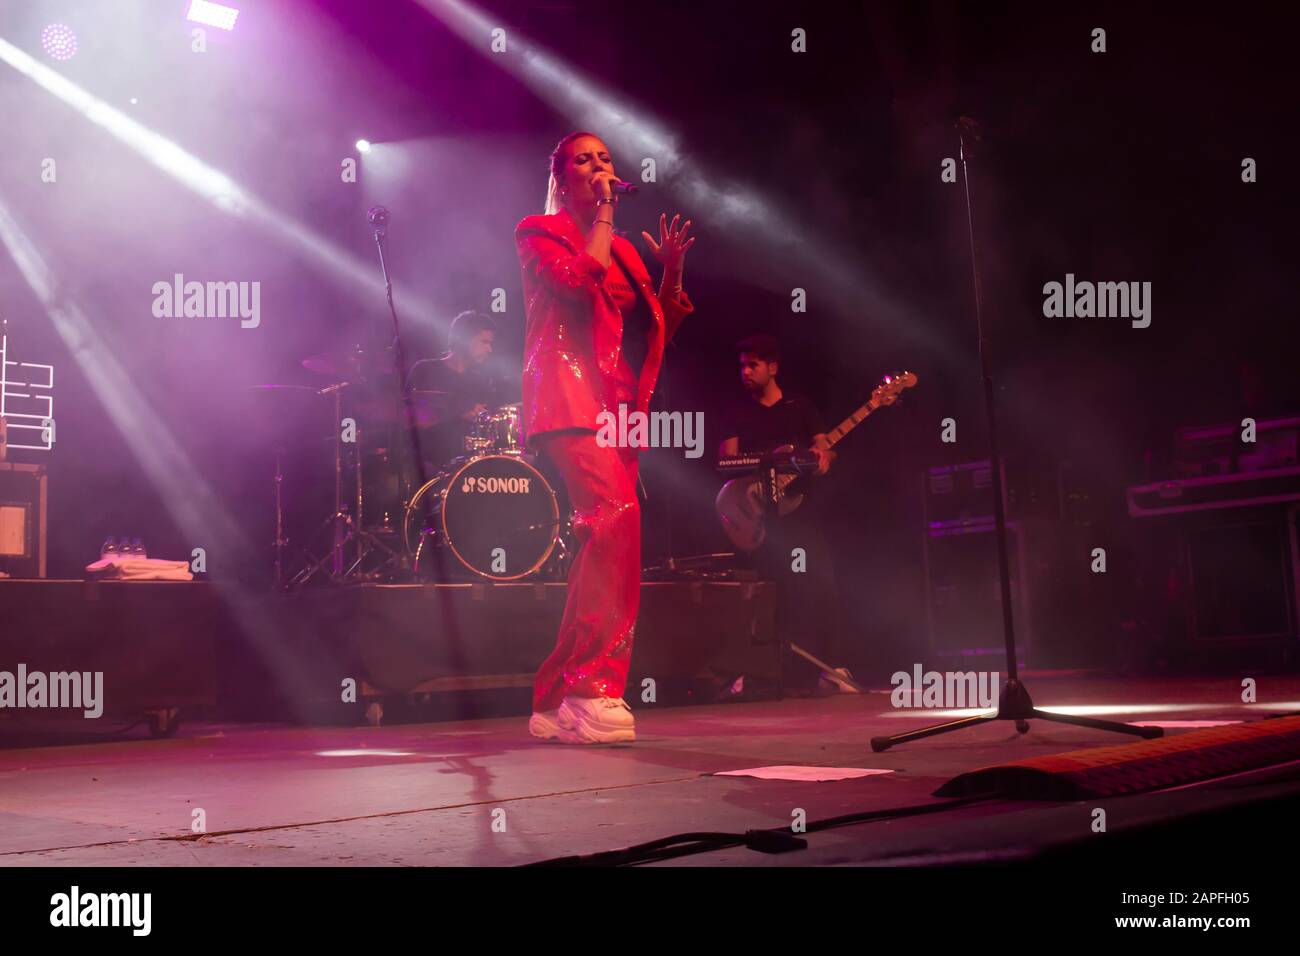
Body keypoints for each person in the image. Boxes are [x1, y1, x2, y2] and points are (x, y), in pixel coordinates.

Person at [517, 131, 696, 743]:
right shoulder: (538, 231)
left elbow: (659, 321)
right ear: (562, 178)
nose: (598, 167)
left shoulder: (622, 246)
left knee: (608, 534)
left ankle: (552, 696)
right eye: (583, 161)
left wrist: (670, 271)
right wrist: (603, 215)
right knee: (615, 521)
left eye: (605, 159)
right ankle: (592, 689)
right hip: (566, 396)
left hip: (616, 402)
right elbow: (576, 279)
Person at [717, 334, 850, 695]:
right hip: (760, 518)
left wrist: (824, 458)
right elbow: (726, 461)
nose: (745, 371)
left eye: (753, 364)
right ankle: (754, 671)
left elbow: (826, 450)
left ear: (773, 368)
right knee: (765, 592)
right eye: (742, 364)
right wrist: (768, 460)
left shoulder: (800, 407)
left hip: (799, 509)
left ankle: (833, 666)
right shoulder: (736, 411)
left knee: (822, 580)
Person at [407, 311, 501, 469]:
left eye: (490, 344)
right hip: (426, 464)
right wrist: (458, 413)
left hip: (470, 465)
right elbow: (408, 420)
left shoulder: (481, 381)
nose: (489, 349)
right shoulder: (425, 369)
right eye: (484, 342)